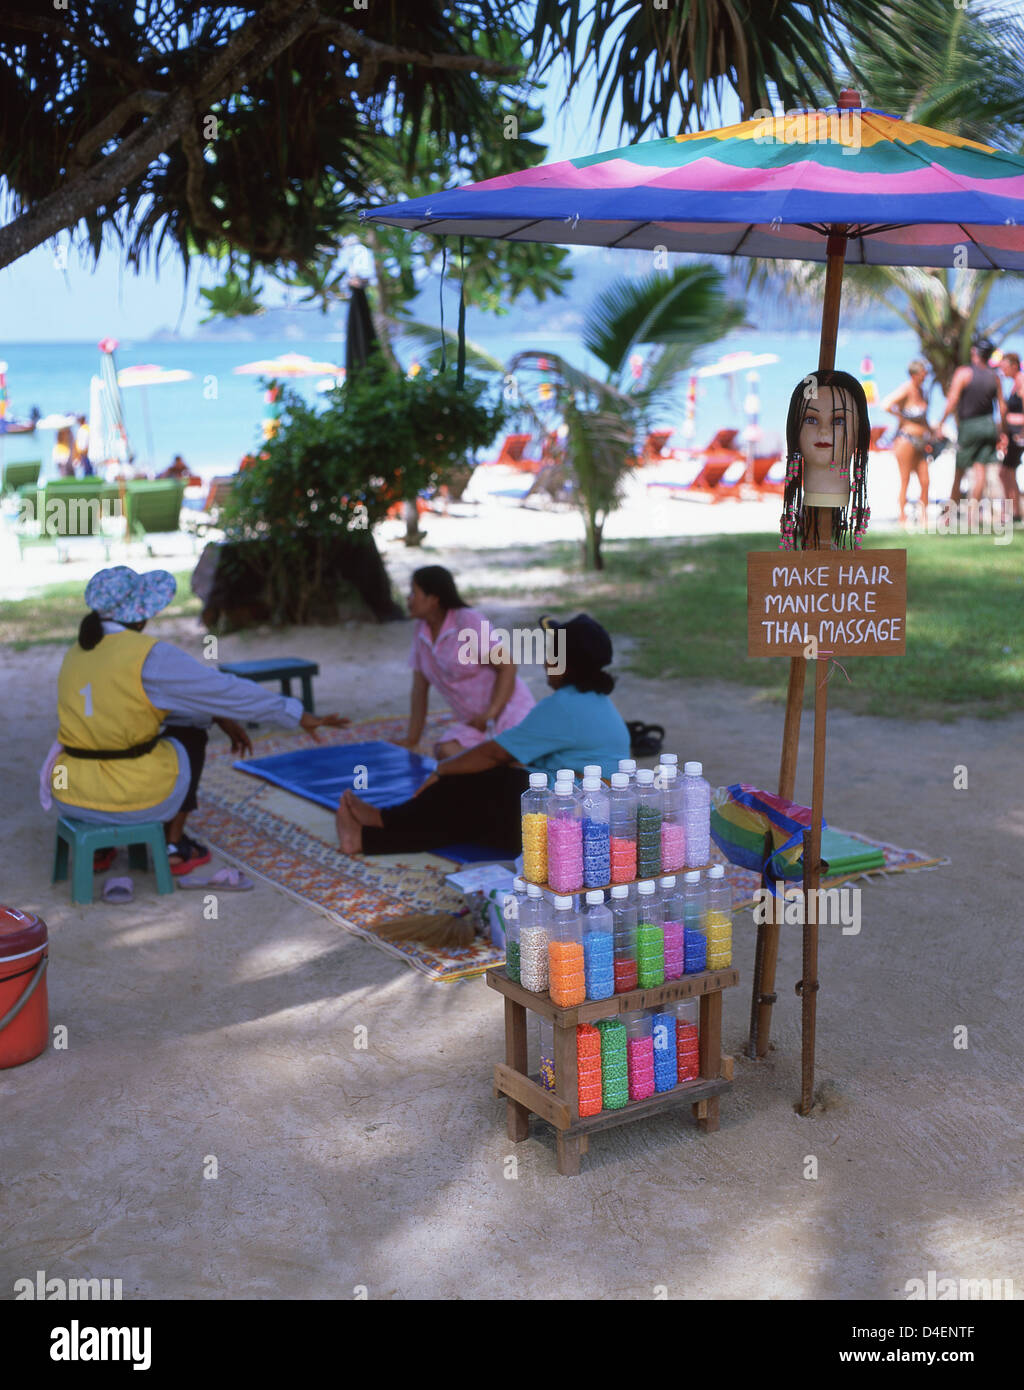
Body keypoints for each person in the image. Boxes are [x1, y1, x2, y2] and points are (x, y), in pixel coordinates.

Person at [40, 566, 346, 874]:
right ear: (140, 613)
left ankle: (99, 849)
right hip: (125, 797)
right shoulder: (149, 656)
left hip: (72, 793)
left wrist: (218, 714)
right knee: (192, 726)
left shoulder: (76, 652)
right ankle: (173, 845)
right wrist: (296, 714)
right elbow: (224, 690)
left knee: (133, 728)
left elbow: (119, 706)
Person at [336, 613, 630, 857]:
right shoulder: (593, 702)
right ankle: (374, 831)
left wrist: (442, 770)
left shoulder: (565, 705)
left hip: (569, 831)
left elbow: (494, 753)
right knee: (475, 799)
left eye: (551, 652)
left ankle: (377, 826)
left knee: (479, 783)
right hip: (583, 825)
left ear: (569, 663)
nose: (543, 660)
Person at [400, 566, 535, 759]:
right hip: (475, 725)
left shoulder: (467, 620)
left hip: (509, 712)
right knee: (446, 752)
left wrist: (491, 713)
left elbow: (507, 666)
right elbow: (419, 689)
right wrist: (411, 740)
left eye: (414, 592)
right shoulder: (421, 630)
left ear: (433, 599)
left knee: (508, 757)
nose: (409, 599)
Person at [938, 339, 1006, 511]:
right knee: (980, 468)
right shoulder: (995, 376)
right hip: (989, 425)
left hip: (969, 425)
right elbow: (1002, 407)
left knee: (960, 468)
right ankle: (972, 513)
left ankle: (950, 511)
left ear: (974, 352)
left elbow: (952, 399)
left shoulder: (964, 373)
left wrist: (941, 422)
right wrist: (1002, 431)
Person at [882, 360, 933, 527]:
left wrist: (932, 433)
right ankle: (902, 517)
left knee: (925, 480)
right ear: (914, 375)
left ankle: (924, 517)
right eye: (923, 373)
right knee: (905, 479)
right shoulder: (906, 389)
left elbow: (924, 418)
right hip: (906, 440)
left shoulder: (922, 391)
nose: (925, 375)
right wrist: (901, 417)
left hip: (921, 440)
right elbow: (886, 404)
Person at [998, 351, 1024, 523]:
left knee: (1005, 472)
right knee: (1007, 473)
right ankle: (1014, 512)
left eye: (1004, 367)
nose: (1002, 371)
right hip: (1014, 434)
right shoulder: (1015, 383)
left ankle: (1014, 512)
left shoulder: (1021, 381)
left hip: (1019, 435)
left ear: (1014, 366)